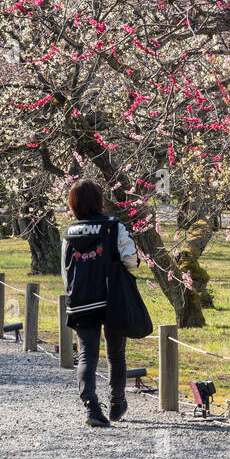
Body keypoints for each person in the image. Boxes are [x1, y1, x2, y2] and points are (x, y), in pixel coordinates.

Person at [61, 179, 139, 428]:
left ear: (73, 204)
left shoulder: (69, 232)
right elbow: (131, 259)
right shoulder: (113, 226)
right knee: (116, 354)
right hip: (112, 297)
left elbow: (65, 269)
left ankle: (91, 406)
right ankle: (117, 402)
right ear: (99, 200)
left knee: (87, 354)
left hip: (81, 300)